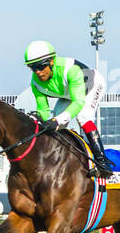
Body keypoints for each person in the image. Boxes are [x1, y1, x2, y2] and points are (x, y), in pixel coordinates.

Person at [23, 40, 113, 175]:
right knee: (58, 126)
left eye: (40, 67)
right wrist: (33, 118)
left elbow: (78, 102)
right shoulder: (35, 83)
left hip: (90, 86)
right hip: (68, 94)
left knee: (83, 117)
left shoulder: (70, 70)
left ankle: (103, 162)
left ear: (51, 61)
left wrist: (57, 120)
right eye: (33, 68)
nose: (38, 72)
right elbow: (43, 110)